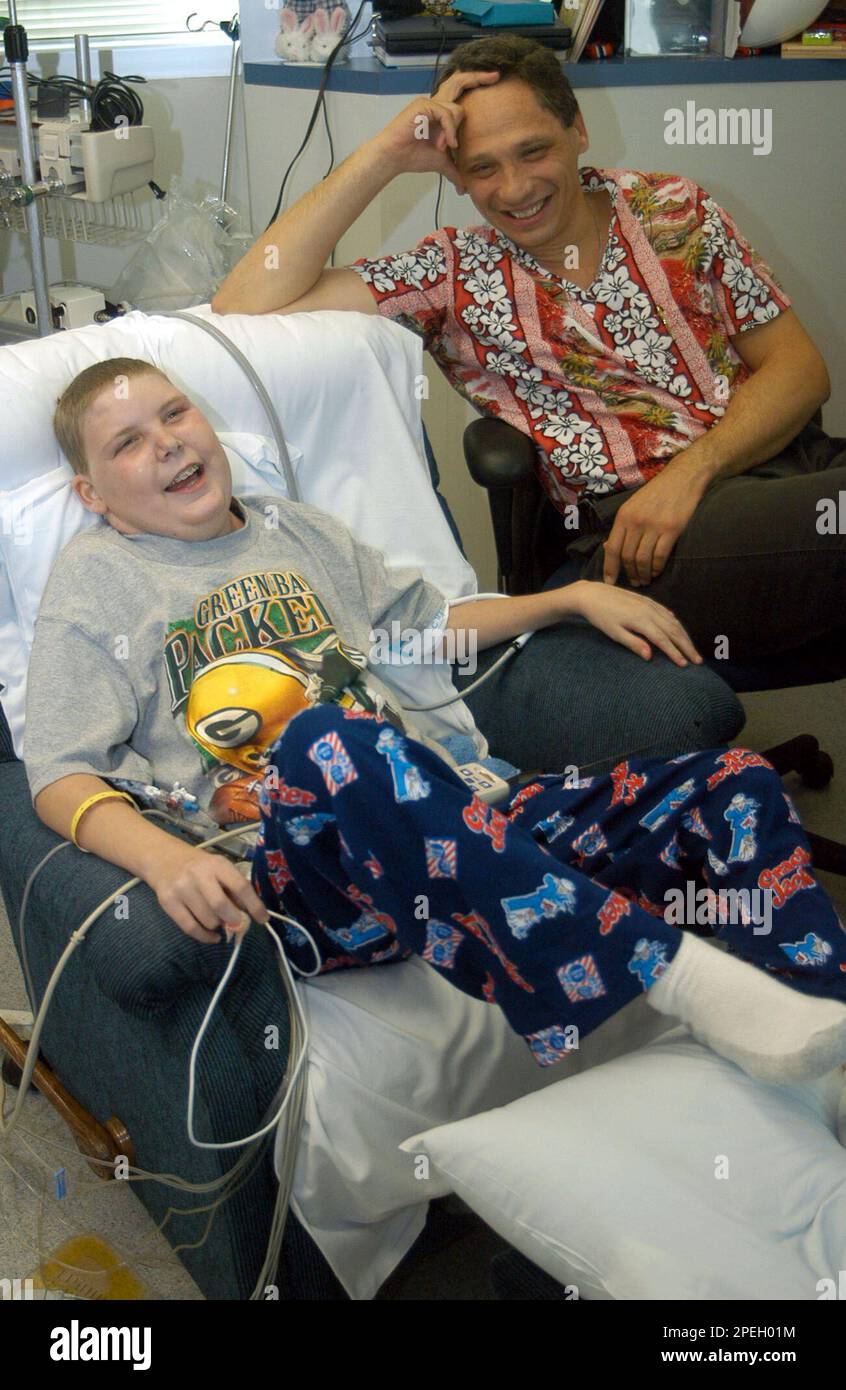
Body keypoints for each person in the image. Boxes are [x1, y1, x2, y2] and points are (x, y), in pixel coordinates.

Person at [22, 357, 846, 1086]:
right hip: (301, 879)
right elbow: (58, 772)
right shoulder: (98, 578)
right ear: (91, 496)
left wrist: (568, 597)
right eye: (127, 442)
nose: (166, 441)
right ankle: (663, 976)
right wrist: (165, 861)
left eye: (175, 413)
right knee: (326, 740)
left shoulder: (300, 531)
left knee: (731, 783)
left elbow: (424, 628)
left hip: (459, 825)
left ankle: (820, 1039)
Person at [212, 34, 845, 666]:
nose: (514, 189)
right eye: (483, 167)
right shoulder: (452, 278)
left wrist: (689, 474)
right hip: (642, 543)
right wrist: (386, 152)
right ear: (455, 175)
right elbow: (245, 295)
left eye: (533, 151)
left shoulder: (676, 210)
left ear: (578, 131)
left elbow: (799, 370)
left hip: (766, 471)